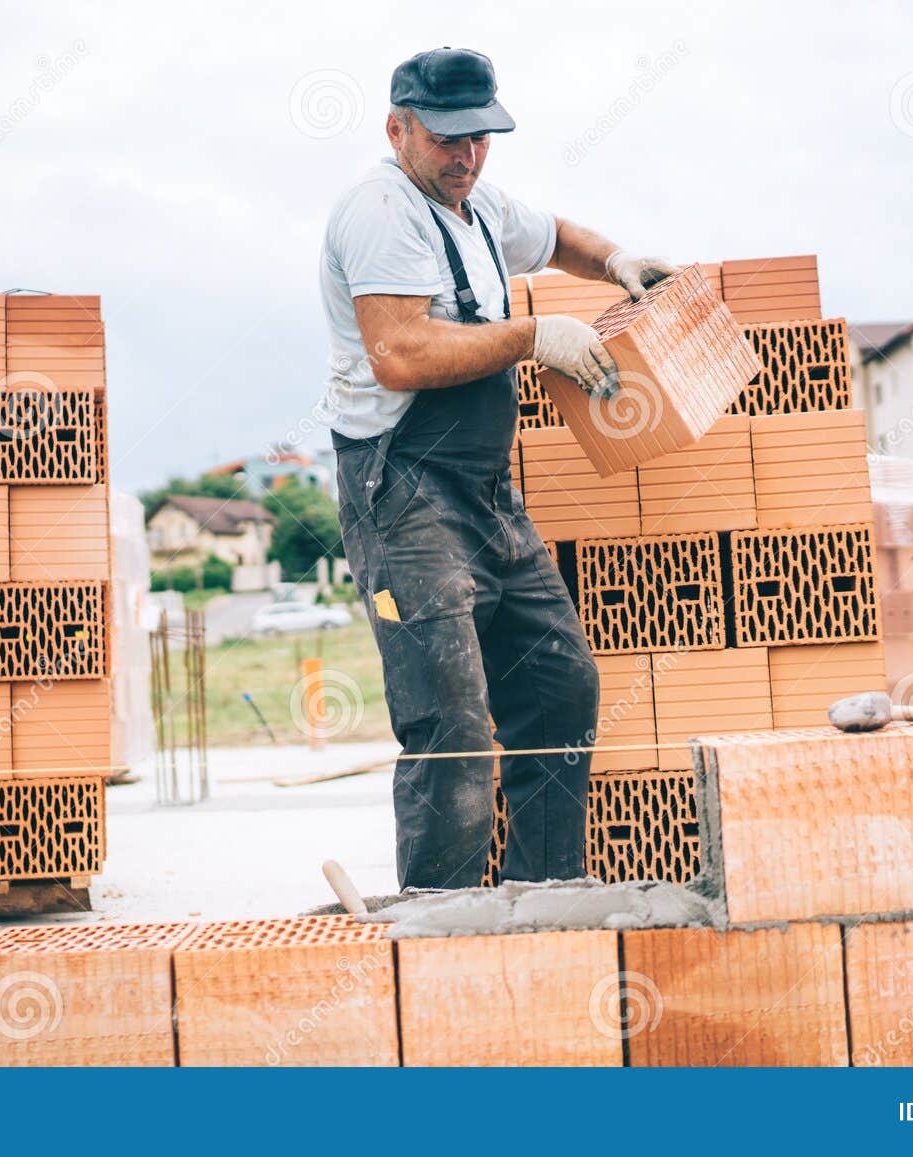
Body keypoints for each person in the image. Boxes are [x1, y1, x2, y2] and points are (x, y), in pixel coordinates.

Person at [319, 46, 677, 890]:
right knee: (453, 728)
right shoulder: (379, 210)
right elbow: (399, 352)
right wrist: (532, 334)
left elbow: (556, 238)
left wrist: (618, 262)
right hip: (398, 492)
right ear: (398, 129)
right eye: (447, 139)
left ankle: (542, 898)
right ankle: (437, 935)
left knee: (558, 684)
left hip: (481, 493)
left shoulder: (477, 206)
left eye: (481, 137)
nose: (466, 156)